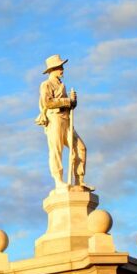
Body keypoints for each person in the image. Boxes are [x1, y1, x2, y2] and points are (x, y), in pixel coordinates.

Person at [36, 55, 87, 187]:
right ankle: (58, 181)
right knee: (56, 150)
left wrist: (73, 102)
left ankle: (79, 181)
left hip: (66, 119)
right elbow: (47, 102)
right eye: (60, 67)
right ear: (53, 69)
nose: (63, 69)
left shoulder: (62, 85)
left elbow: (67, 105)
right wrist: (67, 101)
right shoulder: (46, 84)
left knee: (80, 148)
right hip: (55, 119)